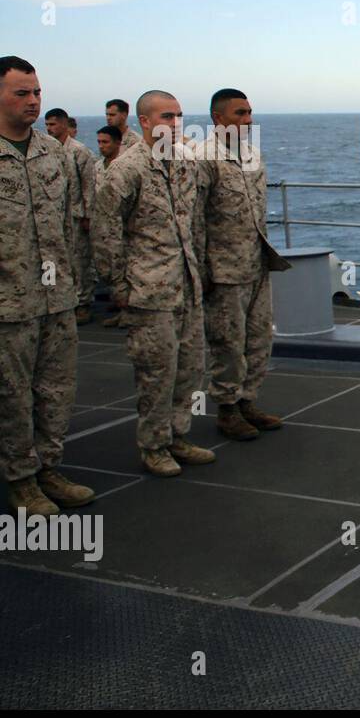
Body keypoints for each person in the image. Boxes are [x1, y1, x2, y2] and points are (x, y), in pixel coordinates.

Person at [93, 90, 213, 477]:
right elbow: (105, 228)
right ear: (144, 121)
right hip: (150, 290)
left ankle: (179, 434)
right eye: (166, 117)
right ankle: (154, 445)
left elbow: (194, 220)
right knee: (156, 373)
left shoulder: (184, 164)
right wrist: (119, 285)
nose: (175, 124)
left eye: (179, 116)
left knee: (190, 369)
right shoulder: (127, 169)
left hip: (187, 283)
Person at [0, 57, 95, 515]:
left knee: (56, 387)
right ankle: (20, 479)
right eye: (22, 93)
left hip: (56, 296)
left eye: (36, 92)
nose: (34, 101)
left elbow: (67, 223)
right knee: (12, 395)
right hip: (7, 303)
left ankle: (49, 466)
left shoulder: (53, 152)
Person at [193, 88, 291, 441]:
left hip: (256, 261)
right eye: (239, 114)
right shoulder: (202, 158)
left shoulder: (252, 155)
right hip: (224, 269)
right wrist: (202, 270)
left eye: (249, 113)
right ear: (218, 118)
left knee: (259, 338)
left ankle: (248, 400)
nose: (247, 120)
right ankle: (228, 409)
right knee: (228, 343)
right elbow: (194, 219)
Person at [44, 109, 97, 324]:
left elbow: (89, 184)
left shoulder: (79, 151)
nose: (49, 129)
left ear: (65, 125)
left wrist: (88, 215)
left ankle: (83, 303)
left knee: (80, 260)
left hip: (76, 214)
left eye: (53, 125)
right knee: (59, 259)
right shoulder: (48, 149)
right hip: (56, 214)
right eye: (47, 125)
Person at [92, 125, 125, 327]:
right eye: (99, 142)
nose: (101, 146)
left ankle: (127, 312)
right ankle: (119, 306)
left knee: (123, 270)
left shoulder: (125, 167)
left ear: (117, 143)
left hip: (120, 226)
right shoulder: (97, 167)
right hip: (102, 226)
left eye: (105, 142)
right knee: (106, 270)